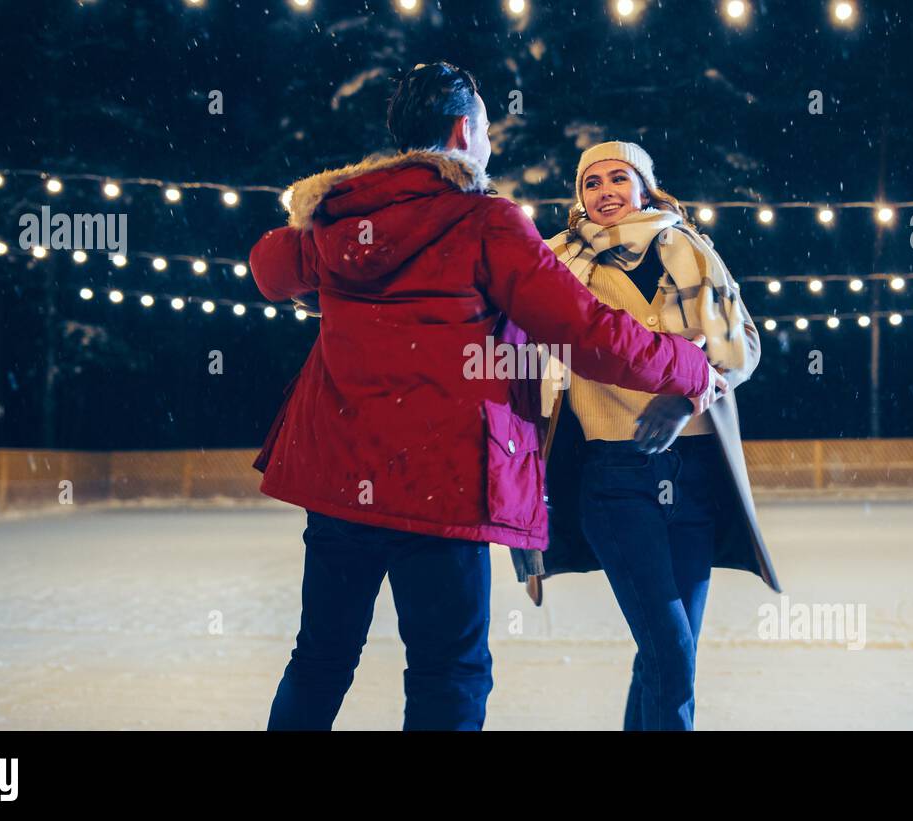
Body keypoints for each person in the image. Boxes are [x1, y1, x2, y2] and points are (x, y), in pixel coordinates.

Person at [248, 64, 725, 731]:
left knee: (321, 656)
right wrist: (686, 365)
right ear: (465, 129)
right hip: (438, 486)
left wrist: (318, 269)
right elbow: (584, 330)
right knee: (448, 669)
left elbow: (269, 265)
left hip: (340, 478)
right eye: (486, 130)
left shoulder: (342, 219)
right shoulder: (484, 222)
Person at [510, 141, 781, 731]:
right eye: (591, 183)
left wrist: (687, 395)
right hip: (613, 477)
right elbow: (516, 354)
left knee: (664, 656)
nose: (604, 191)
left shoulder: (689, 250)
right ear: (578, 196)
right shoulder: (555, 264)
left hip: (696, 475)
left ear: (645, 187)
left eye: (618, 178)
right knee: (671, 653)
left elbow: (743, 347)